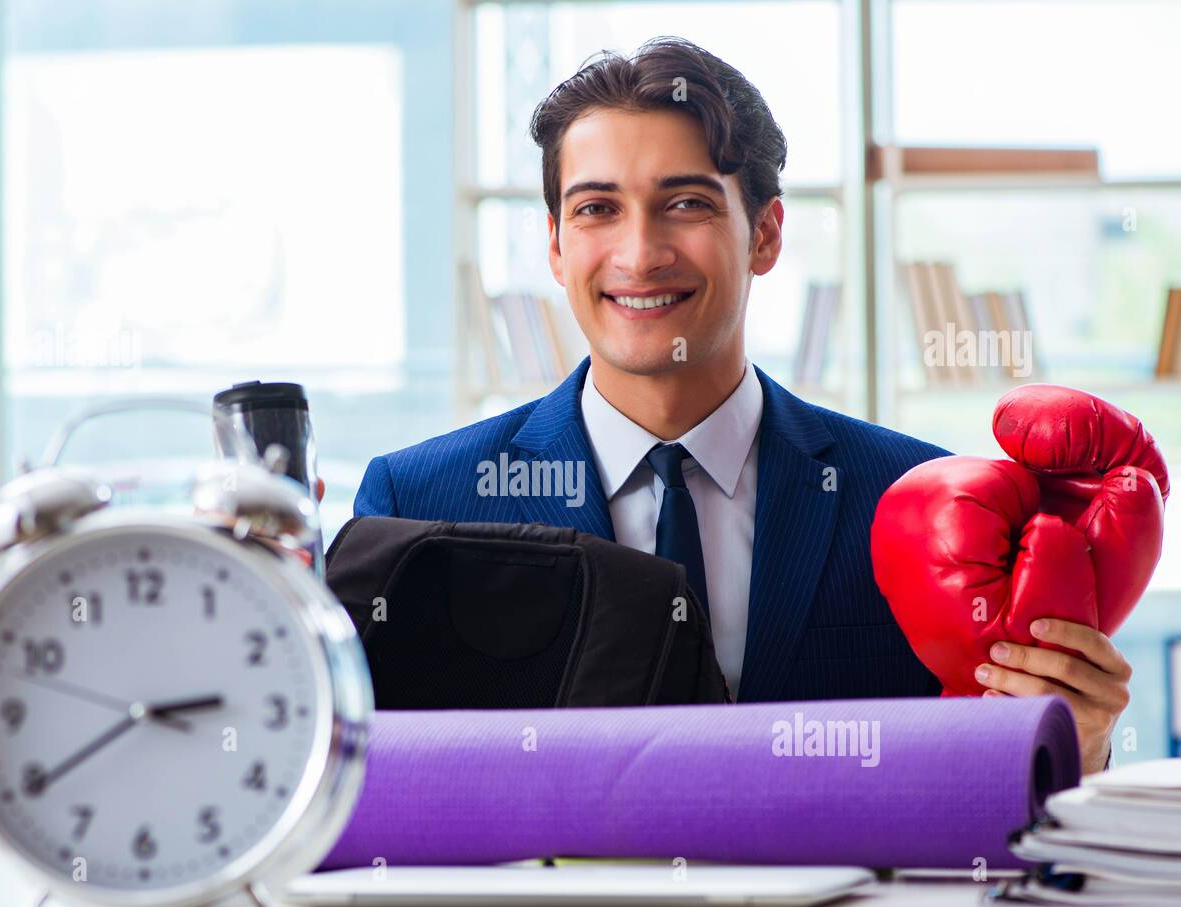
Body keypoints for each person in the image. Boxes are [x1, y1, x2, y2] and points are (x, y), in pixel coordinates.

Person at [353, 37, 1128, 774]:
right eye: (597, 209)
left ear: (764, 233)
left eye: (686, 202)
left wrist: (1076, 744)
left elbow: (988, 789)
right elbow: (370, 794)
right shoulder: (417, 504)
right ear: (556, 245)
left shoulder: (917, 501)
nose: (639, 254)